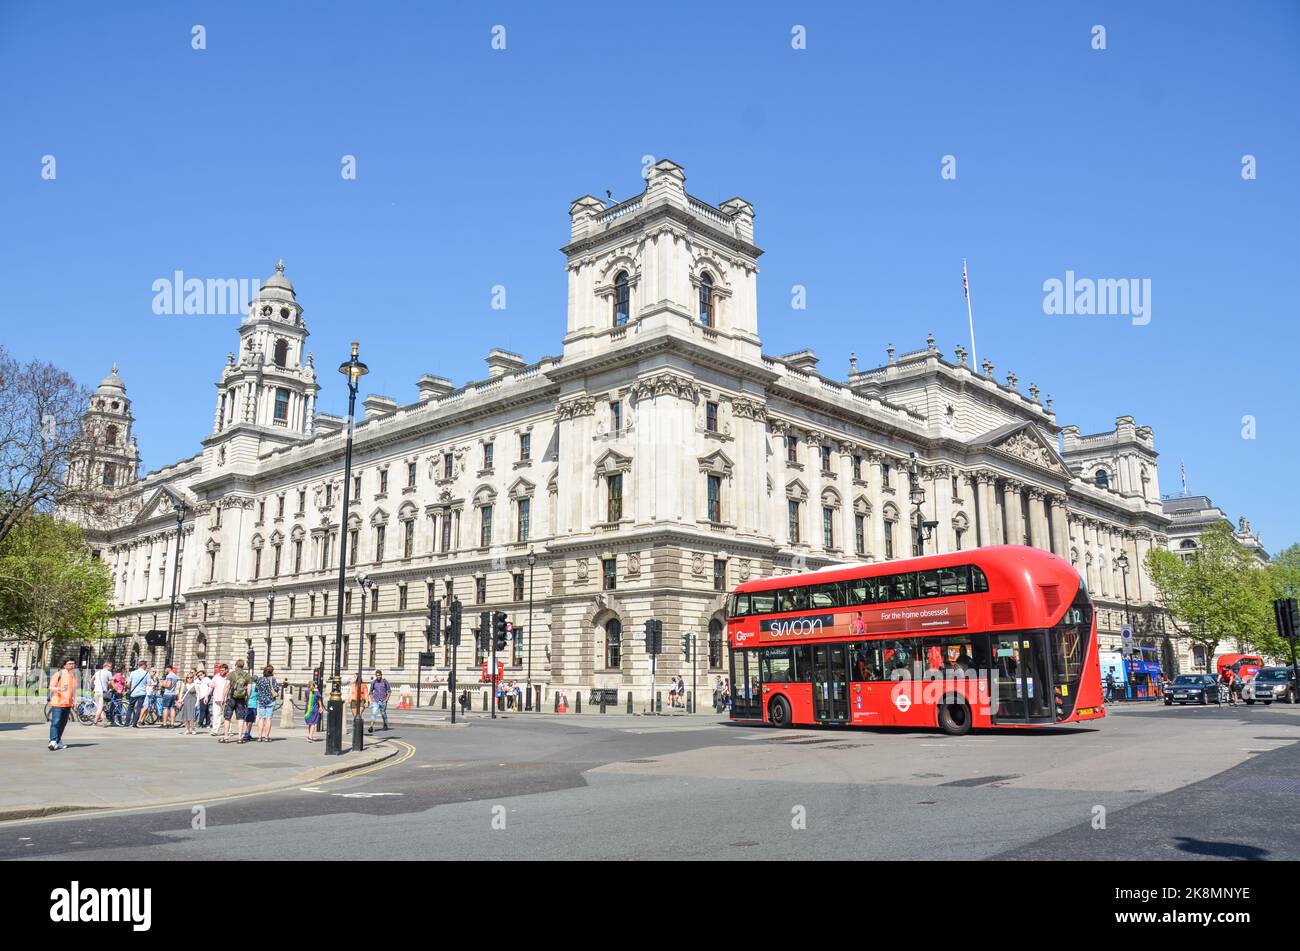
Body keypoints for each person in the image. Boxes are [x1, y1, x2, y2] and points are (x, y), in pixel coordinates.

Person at [47, 658, 78, 751]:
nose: (72, 665)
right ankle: (53, 741)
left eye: (73, 663)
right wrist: (59, 689)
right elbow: (51, 687)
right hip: (58, 702)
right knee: (56, 722)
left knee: (63, 723)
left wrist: (75, 701)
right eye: (70, 663)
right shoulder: (58, 674)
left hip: (68, 703)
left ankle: (58, 741)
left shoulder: (74, 676)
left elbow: (74, 690)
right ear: (64, 665)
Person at [224, 659, 253, 743]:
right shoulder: (247, 675)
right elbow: (249, 689)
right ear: (243, 666)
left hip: (231, 698)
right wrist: (247, 698)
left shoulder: (231, 674)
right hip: (241, 699)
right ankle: (240, 737)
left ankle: (226, 737)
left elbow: (226, 686)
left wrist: (224, 697)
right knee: (240, 718)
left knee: (227, 718)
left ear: (236, 665)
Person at [254, 665, 278, 742]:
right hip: (270, 701)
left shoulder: (260, 679)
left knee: (261, 718)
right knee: (268, 718)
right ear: (272, 671)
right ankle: (266, 737)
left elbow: (256, 689)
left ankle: (259, 736)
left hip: (261, 701)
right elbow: (277, 689)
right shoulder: (273, 680)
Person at [209, 663, 230, 737]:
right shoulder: (216, 677)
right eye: (220, 670)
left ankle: (228, 731)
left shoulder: (229, 677)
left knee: (227, 716)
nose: (221, 671)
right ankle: (215, 730)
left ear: (226, 670)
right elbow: (211, 687)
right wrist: (206, 696)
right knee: (216, 715)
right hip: (216, 698)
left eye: (223, 670)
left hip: (226, 699)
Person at [127, 660, 149, 727]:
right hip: (142, 693)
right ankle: (134, 723)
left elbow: (128, 684)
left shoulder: (133, 673)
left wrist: (130, 689)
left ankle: (126, 723)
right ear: (143, 665)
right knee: (139, 708)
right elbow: (149, 683)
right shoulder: (146, 674)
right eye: (146, 665)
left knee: (130, 707)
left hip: (134, 693)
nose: (146, 666)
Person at [91, 661, 113, 727]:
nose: (111, 668)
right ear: (107, 666)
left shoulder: (97, 672)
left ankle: (104, 721)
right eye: (110, 667)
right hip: (102, 692)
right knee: (100, 708)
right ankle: (94, 722)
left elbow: (91, 680)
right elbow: (112, 682)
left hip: (96, 691)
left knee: (100, 707)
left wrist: (93, 686)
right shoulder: (109, 673)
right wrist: (117, 689)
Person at [304, 678, 322, 742]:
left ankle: (310, 735)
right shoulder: (316, 691)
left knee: (310, 723)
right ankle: (310, 737)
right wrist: (320, 707)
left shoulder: (306, 692)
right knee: (313, 723)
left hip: (308, 709)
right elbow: (319, 700)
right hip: (314, 709)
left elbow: (305, 700)